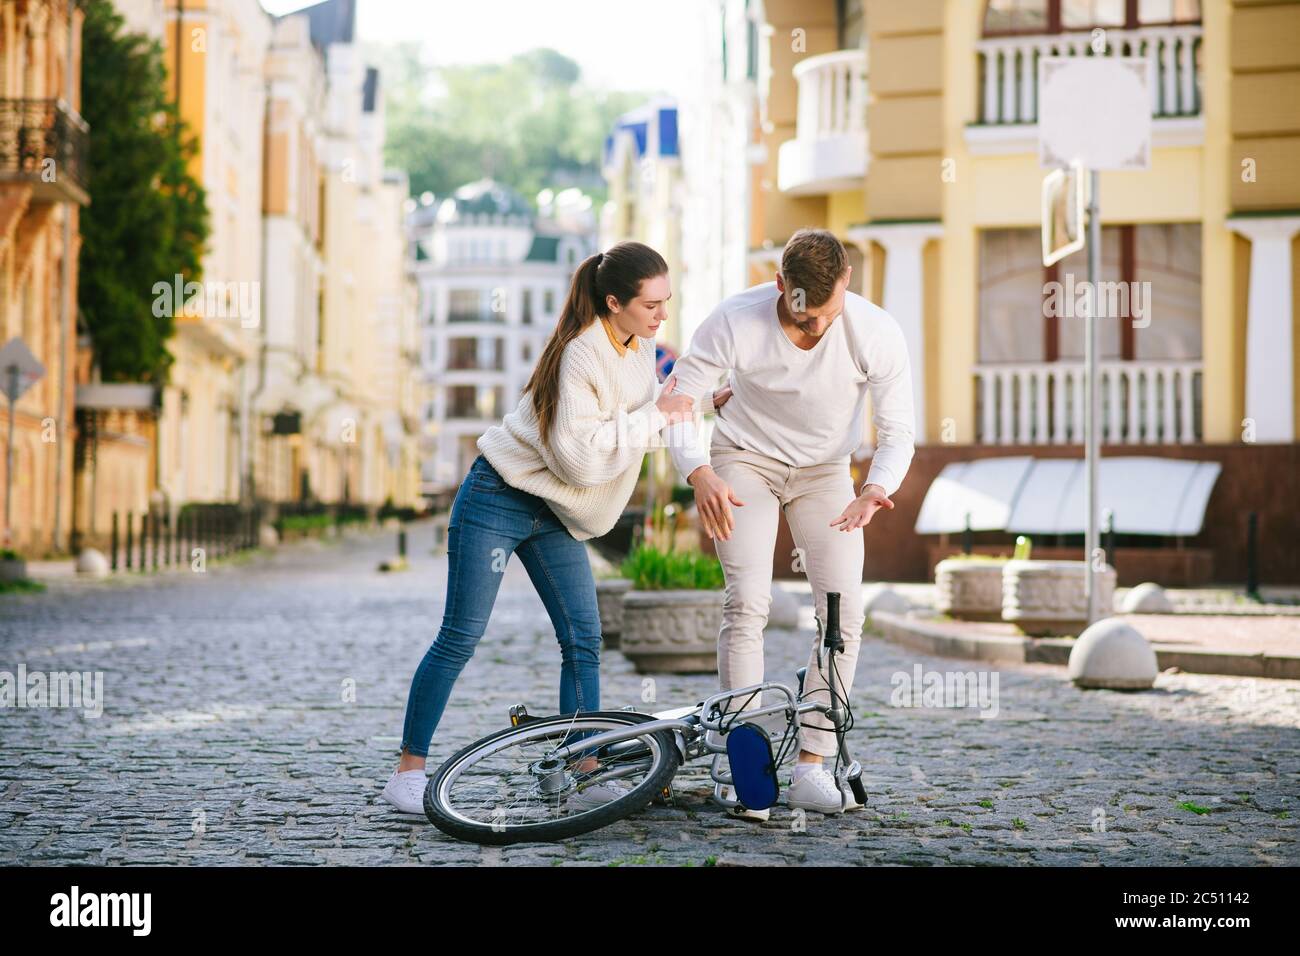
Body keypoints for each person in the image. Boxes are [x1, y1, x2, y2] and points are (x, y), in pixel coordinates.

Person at [381, 240, 731, 814]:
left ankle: (584, 767)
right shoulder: (580, 354)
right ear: (614, 302)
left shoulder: (638, 353)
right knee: (461, 635)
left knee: (583, 639)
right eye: (651, 305)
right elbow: (581, 458)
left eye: (666, 303)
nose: (662, 316)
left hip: (556, 512)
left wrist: (698, 407)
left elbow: (645, 422)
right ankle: (407, 774)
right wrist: (656, 416)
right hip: (499, 495)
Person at [664, 228, 916, 819]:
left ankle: (810, 766)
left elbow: (898, 428)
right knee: (747, 603)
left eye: (827, 315)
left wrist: (876, 488)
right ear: (780, 285)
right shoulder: (735, 318)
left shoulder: (875, 331)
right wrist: (699, 471)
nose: (816, 329)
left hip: (826, 471)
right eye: (805, 316)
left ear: (847, 283)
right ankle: (741, 763)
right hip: (744, 460)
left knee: (841, 614)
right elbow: (679, 398)